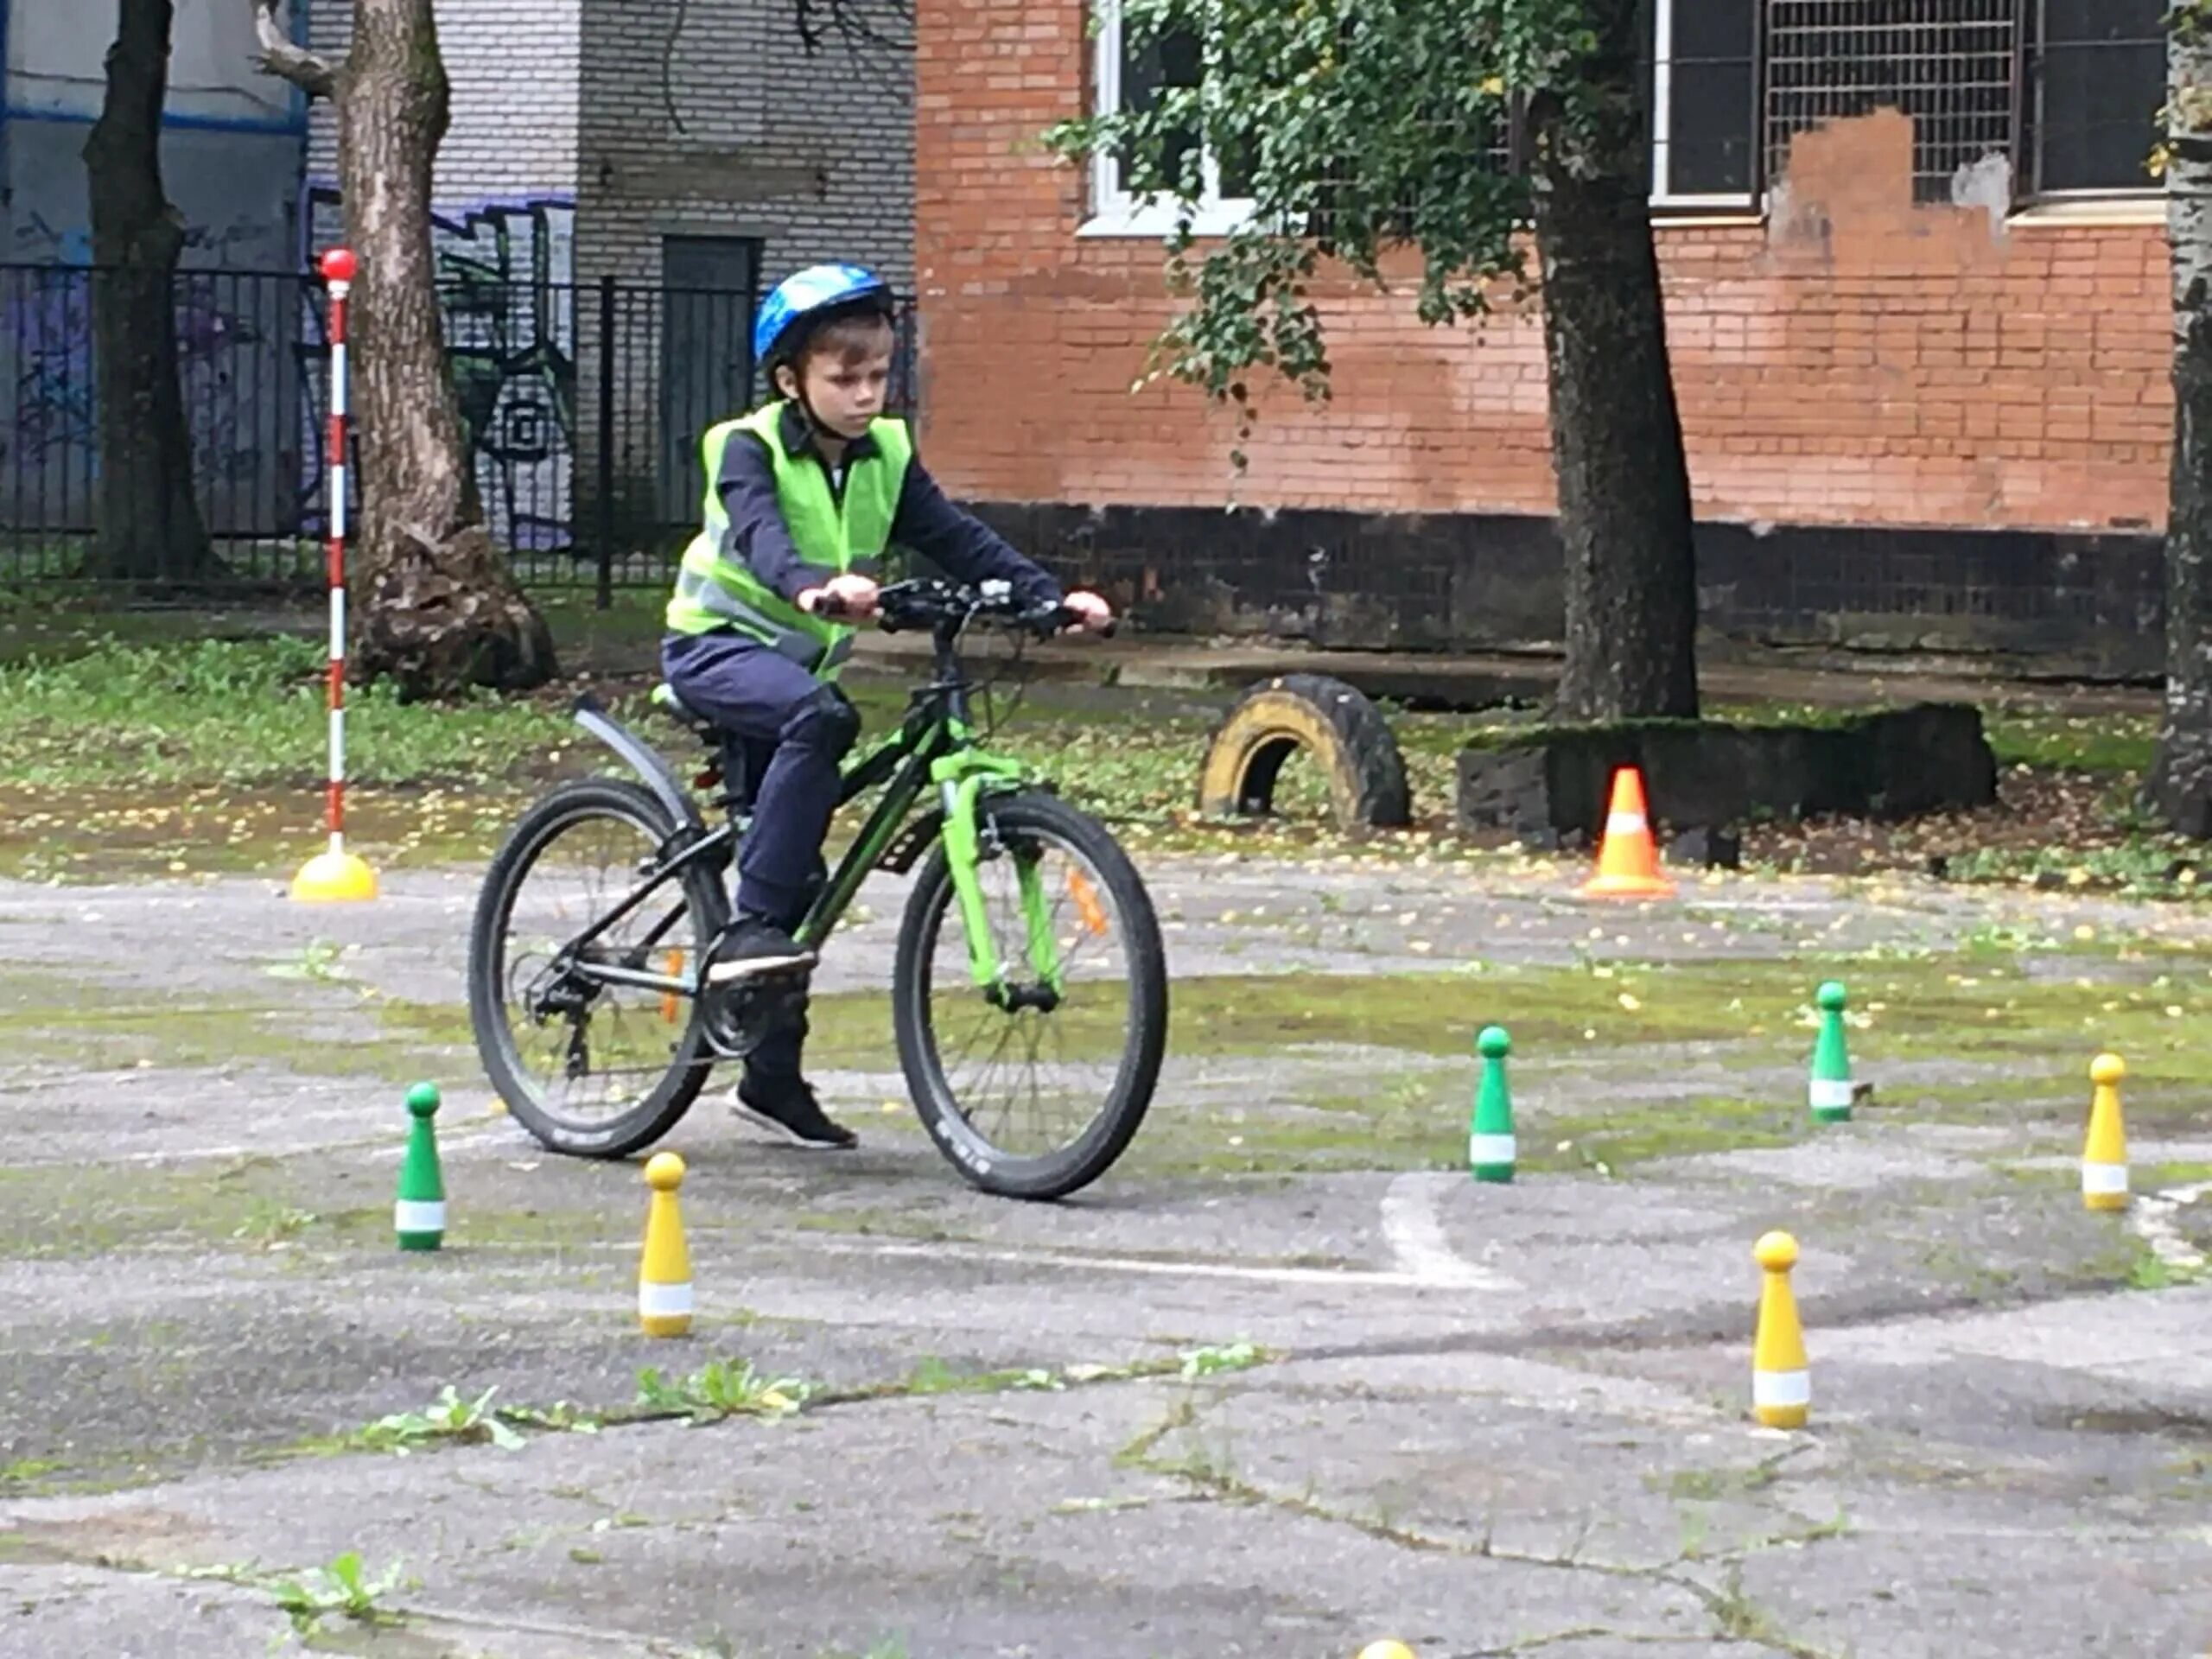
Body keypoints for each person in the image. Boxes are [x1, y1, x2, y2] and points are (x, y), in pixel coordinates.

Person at [662, 263, 1113, 1151]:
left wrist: (1047, 596)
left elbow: (958, 539)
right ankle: (748, 929)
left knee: (804, 871)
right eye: (845, 377)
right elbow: (760, 536)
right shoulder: (744, 446)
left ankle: (768, 1082)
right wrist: (812, 585)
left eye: (878, 374)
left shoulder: (886, 457)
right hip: (716, 647)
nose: (866, 395)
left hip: (793, 666)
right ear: (790, 380)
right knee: (823, 720)